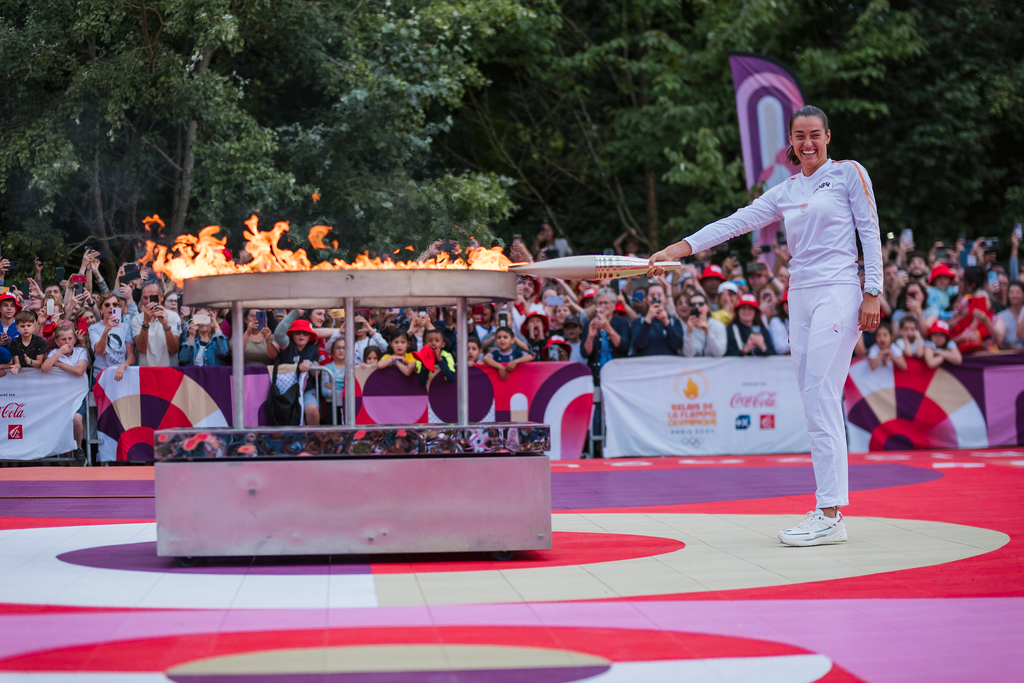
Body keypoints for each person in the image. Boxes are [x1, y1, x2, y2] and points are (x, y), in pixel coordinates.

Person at [649, 105, 882, 547]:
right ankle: (828, 510)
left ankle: (830, 512)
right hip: (800, 295)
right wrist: (680, 248)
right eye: (799, 136)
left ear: (828, 136)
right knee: (815, 398)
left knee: (820, 392)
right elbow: (736, 222)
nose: (808, 143)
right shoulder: (786, 191)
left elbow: (869, 229)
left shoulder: (850, 173)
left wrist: (873, 289)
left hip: (839, 288)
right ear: (791, 143)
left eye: (815, 134)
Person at [41, 324, 90, 460]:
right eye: (63, 339)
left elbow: (80, 371)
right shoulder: (54, 354)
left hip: (77, 395)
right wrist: (59, 353)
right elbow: (45, 368)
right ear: (57, 341)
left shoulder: (81, 352)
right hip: (59, 396)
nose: (67, 342)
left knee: (77, 419)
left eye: (70, 338)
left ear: (75, 339)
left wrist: (60, 364)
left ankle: (78, 448)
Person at [276, 318, 322, 426]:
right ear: (292, 335)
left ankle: (313, 440)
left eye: (305, 333)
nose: (301, 336)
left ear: (310, 336)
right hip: (286, 390)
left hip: (307, 389)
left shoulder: (313, 350)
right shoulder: (287, 346)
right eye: (297, 333)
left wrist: (310, 364)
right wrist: (294, 313)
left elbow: (317, 373)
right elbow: (278, 334)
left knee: (312, 410)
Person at [581, 288, 631, 378]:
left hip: (619, 375)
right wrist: (591, 337)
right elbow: (585, 353)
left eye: (606, 303)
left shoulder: (622, 322)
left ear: (613, 306)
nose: (603, 306)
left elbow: (624, 347)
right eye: (600, 303)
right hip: (596, 376)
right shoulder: (590, 324)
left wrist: (608, 328)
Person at [131, 283, 181, 367]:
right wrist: (145, 323)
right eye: (145, 298)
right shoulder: (137, 319)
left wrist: (165, 325)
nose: (148, 301)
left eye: (152, 297)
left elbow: (174, 350)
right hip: (146, 372)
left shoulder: (173, 316)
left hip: (168, 372)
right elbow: (141, 349)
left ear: (161, 297)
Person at [90, 293, 135, 382]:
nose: (111, 307)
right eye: (107, 305)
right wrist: (107, 330)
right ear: (100, 309)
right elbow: (100, 351)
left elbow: (131, 356)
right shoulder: (94, 328)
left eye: (114, 304)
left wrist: (122, 366)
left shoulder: (125, 327)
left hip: (121, 375)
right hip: (101, 376)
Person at [630, 284, 683, 356]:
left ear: (665, 299)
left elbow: (677, 345)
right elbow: (638, 344)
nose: (656, 298)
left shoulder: (674, 321)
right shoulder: (638, 322)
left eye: (659, 295)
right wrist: (647, 320)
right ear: (645, 299)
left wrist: (666, 323)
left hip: (669, 365)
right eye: (652, 296)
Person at [681, 293, 726, 358]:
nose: (697, 306)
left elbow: (719, 353)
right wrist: (688, 332)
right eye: (693, 304)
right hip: (694, 367)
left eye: (701, 304)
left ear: (707, 307)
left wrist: (708, 333)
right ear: (689, 308)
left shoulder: (718, 326)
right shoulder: (685, 328)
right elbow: (688, 355)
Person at [996, 281, 1023, 349]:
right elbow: (999, 340)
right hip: (1009, 357)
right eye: (1011, 292)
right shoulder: (1001, 316)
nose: (1014, 295)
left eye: (1018, 292)